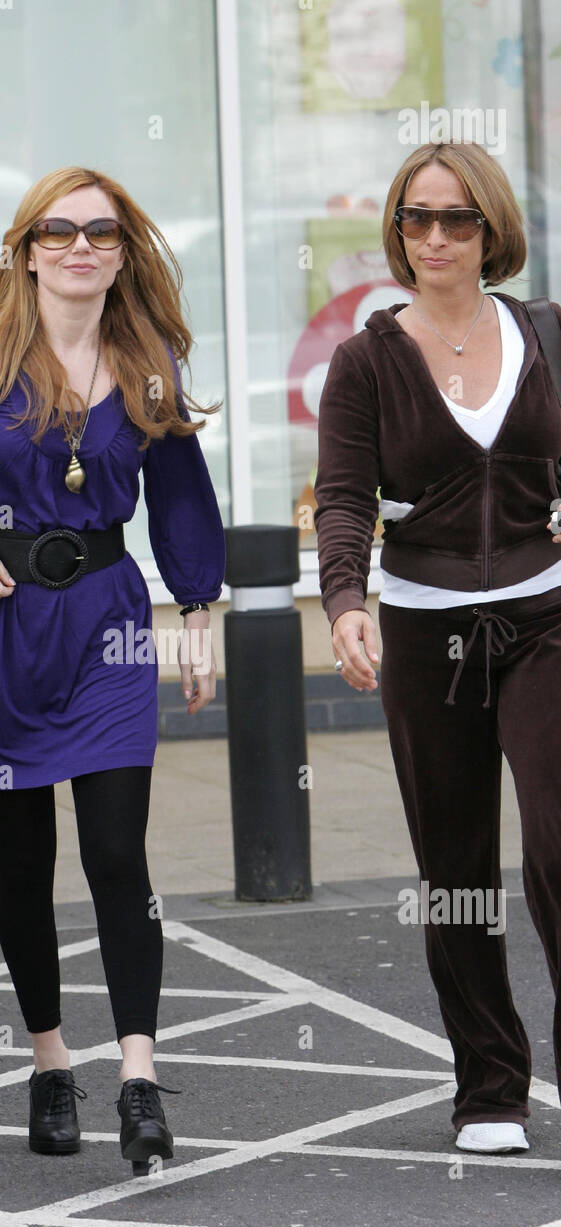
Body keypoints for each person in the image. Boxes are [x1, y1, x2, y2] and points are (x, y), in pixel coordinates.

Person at [0, 166, 226, 1173]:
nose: (80, 247)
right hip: (1, 619)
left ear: (121, 254)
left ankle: (139, 1079)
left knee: (118, 854)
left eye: (101, 233)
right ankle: (48, 1063)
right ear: (26, 250)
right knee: (23, 860)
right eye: (59, 231)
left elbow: (180, 492)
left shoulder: (147, 361)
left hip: (108, 625)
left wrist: (196, 608)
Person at [314, 140, 561, 1156]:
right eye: (414, 218)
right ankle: (489, 1086)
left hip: (545, 618)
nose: (433, 237)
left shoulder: (546, 333)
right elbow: (342, 499)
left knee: (556, 842)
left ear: (489, 229)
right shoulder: (366, 361)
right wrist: (344, 600)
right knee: (454, 865)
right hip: (425, 631)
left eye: (456, 218)